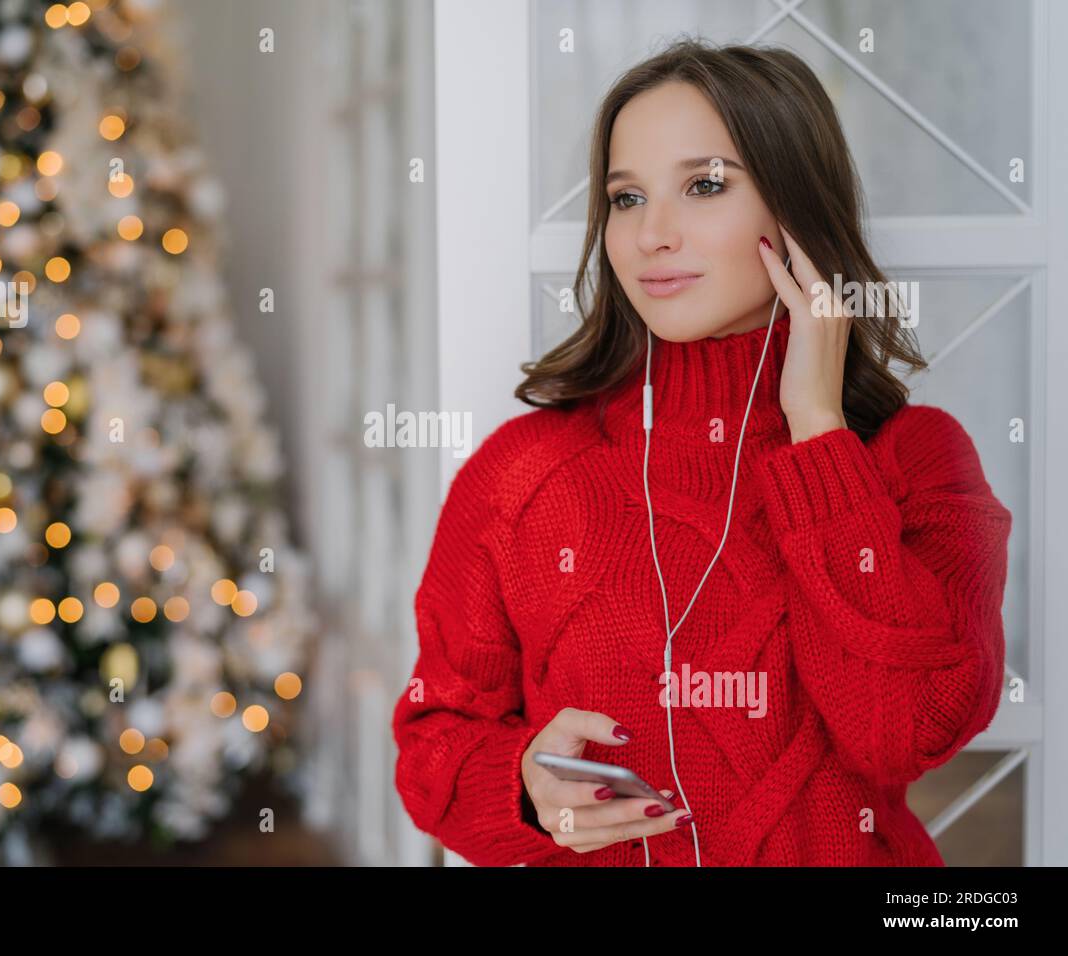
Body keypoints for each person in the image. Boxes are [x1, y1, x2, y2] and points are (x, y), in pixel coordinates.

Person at [391, 38, 1013, 867]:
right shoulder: (520, 474)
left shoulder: (917, 460)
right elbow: (433, 743)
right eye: (625, 197)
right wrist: (526, 791)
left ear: (795, 209)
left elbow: (907, 730)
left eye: (705, 186)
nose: (652, 234)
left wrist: (817, 429)